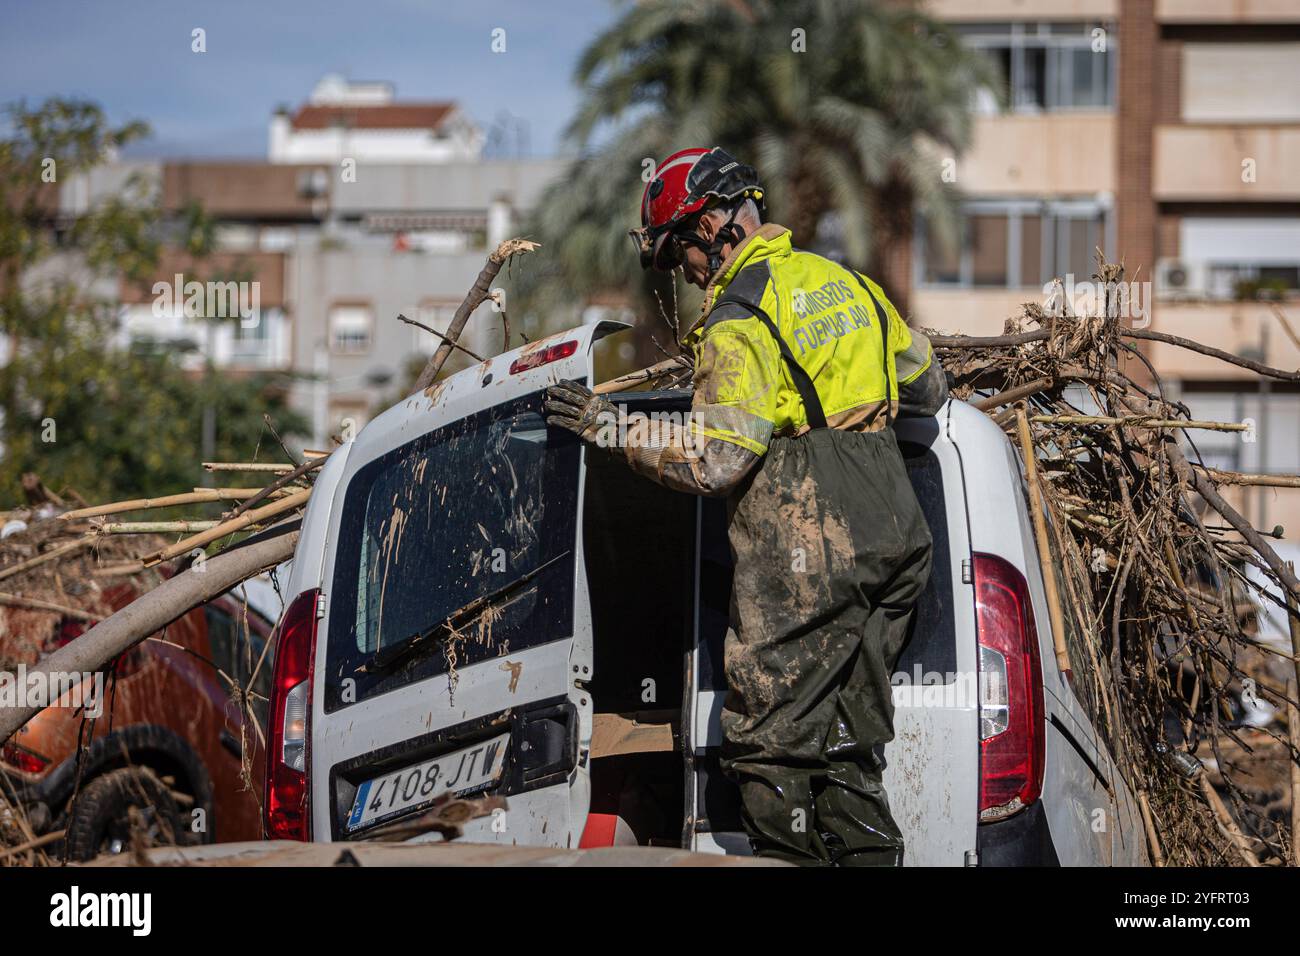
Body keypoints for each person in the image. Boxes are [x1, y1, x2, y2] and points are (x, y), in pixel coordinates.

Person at [544, 146, 948, 865]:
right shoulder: (849, 284)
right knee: (849, 750)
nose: (685, 275)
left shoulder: (738, 322)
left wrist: (611, 429)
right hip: (896, 536)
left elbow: (715, 457)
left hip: (813, 549)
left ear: (712, 228)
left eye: (679, 256)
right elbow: (928, 388)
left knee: (772, 754)